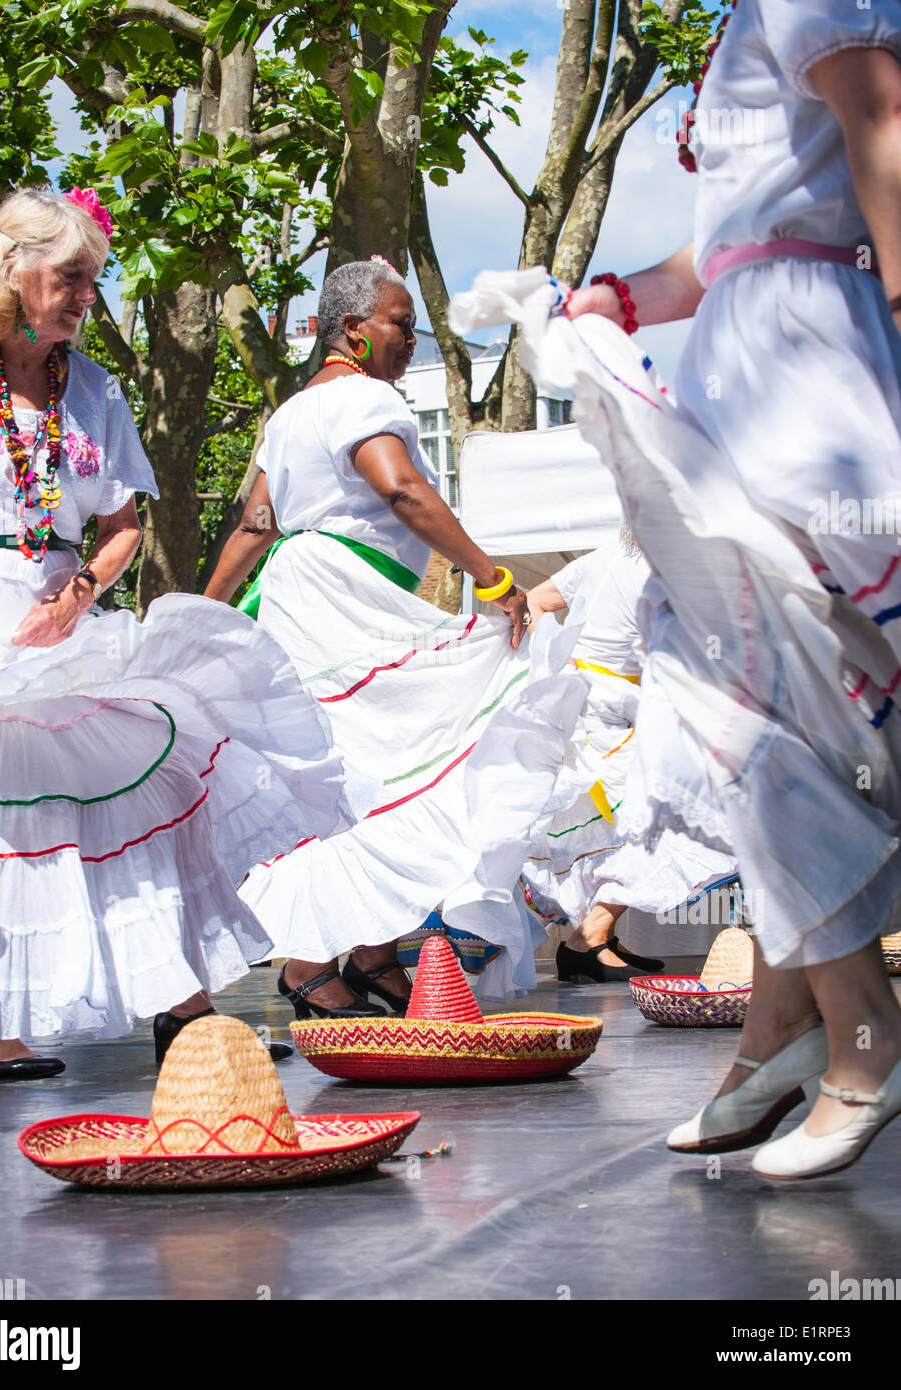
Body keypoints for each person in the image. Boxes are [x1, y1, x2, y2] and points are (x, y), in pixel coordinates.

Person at [453, 0, 901, 1180]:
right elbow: (750, 230)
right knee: (743, 691)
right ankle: (784, 1028)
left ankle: (859, 1031)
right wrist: (621, 300)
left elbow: (882, 121)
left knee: (751, 694)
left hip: (809, 370)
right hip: (765, 351)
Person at [0, 187, 352, 1079]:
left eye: (93, 280)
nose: (87, 297)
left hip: (56, 612)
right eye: (72, 278)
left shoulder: (93, 387)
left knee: (138, 789)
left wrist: (78, 591)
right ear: (13, 268)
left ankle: (183, 1005)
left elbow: (122, 525)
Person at [204, 258, 536, 1014]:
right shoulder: (362, 398)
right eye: (400, 324)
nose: (410, 342)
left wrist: (207, 612)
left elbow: (257, 525)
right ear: (353, 329)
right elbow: (400, 487)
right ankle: (314, 966)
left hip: (305, 597)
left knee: (355, 777)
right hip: (339, 604)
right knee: (383, 770)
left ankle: (370, 954)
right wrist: (489, 577)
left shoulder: (290, 413)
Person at [499, 528, 737, 984]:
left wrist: (544, 662)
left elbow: (537, 602)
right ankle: (591, 933)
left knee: (604, 828)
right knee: (670, 819)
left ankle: (592, 940)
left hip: (577, 703)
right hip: (613, 710)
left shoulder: (604, 556)